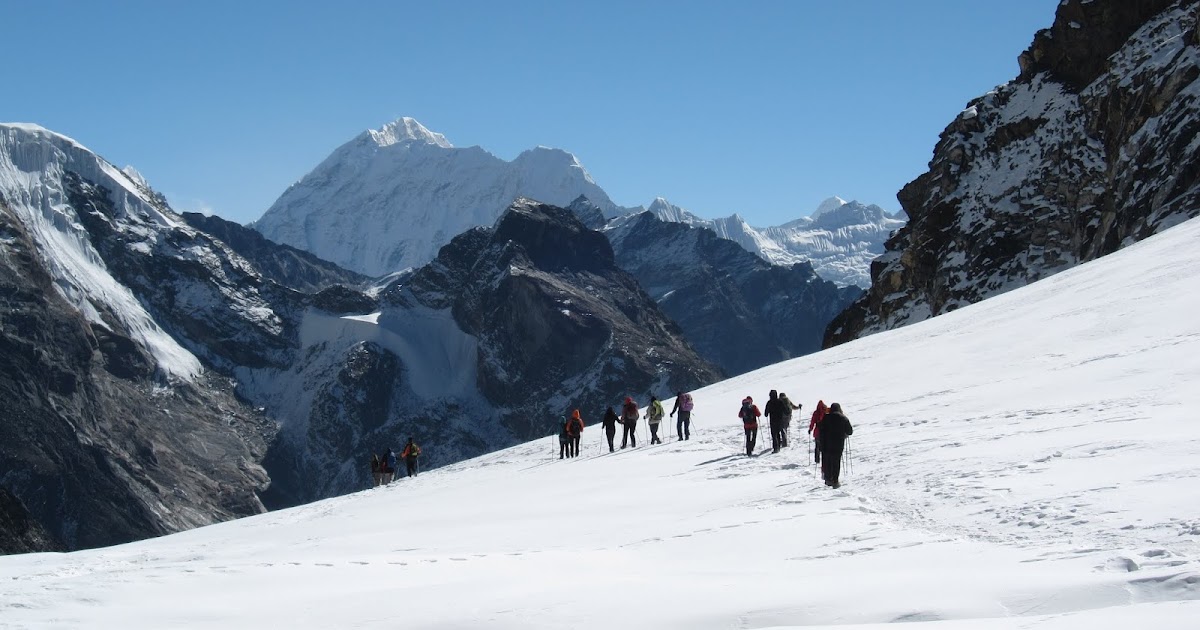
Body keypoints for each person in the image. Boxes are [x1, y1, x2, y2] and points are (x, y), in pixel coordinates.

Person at [819, 403, 853, 488]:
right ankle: (835, 480)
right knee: (836, 461)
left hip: (827, 443)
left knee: (828, 461)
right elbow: (850, 431)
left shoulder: (826, 417)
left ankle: (828, 479)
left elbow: (821, 429)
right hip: (838, 444)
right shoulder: (843, 418)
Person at [809, 400, 828, 467]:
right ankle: (824, 459)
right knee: (824, 446)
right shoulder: (826, 411)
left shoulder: (816, 413)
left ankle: (817, 460)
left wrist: (810, 429)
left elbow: (812, 422)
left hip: (817, 432)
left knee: (817, 446)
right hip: (825, 432)